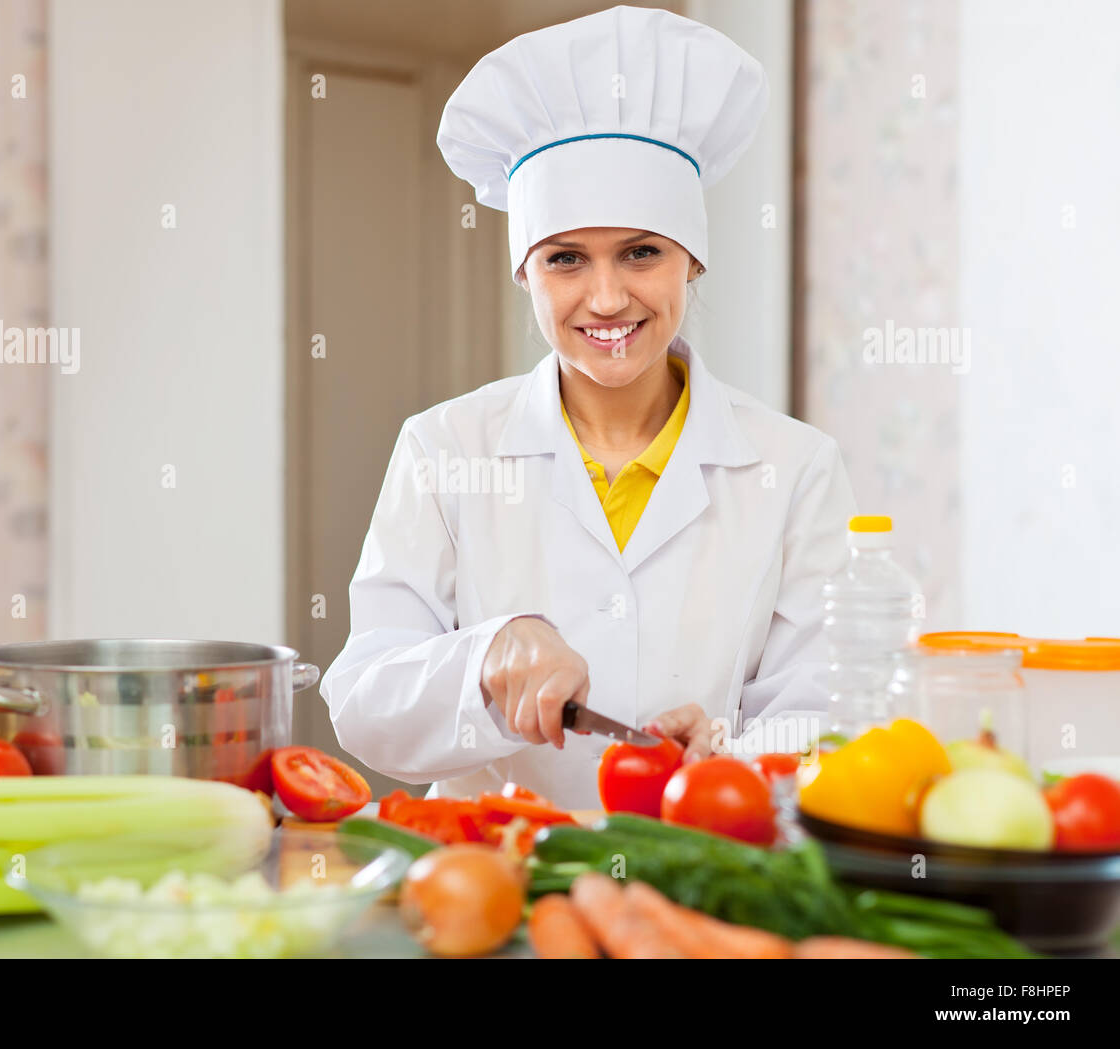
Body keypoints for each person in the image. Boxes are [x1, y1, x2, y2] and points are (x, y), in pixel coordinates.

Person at [319, 5, 856, 810]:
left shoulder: (797, 468)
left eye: (642, 252)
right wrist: (487, 660)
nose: (607, 297)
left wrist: (733, 758)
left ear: (692, 262)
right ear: (525, 274)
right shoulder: (444, 447)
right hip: (491, 869)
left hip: (701, 865)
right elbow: (364, 702)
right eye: (566, 259)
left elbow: (826, 714)